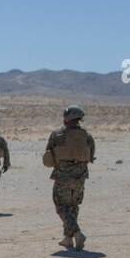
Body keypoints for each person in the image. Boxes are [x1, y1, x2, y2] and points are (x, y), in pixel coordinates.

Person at [44, 105, 96, 249]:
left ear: (67, 118)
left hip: (63, 176)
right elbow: (91, 156)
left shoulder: (57, 135)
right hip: (80, 176)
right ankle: (68, 238)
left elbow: (48, 157)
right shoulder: (87, 135)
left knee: (61, 206)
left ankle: (77, 233)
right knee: (73, 207)